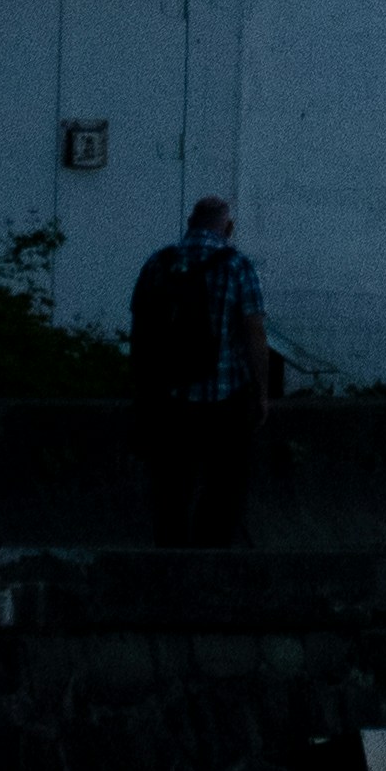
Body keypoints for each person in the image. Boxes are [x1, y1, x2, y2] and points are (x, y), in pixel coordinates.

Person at [130, 195, 270, 547]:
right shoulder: (238, 265)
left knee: (171, 486)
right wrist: (261, 391)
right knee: (225, 486)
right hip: (225, 396)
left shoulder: (158, 263)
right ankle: (212, 560)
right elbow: (254, 332)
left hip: (169, 397)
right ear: (229, 228)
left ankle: (170, 564)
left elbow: (140, 330)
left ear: (190, 223)